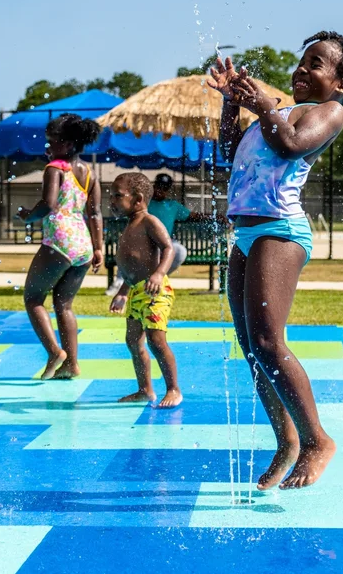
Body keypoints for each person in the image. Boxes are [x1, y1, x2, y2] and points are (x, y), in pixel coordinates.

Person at [209, 31, 343, 490]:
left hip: (280, 229)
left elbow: (292, 146)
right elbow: (228, 154)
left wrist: (261, 105)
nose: (302, 69)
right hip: (247, 233)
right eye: (302, 62)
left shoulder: (328, 113)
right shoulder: (274, 112)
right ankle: (287, 441)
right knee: (253, 351)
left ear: (341, 83)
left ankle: (318, 440)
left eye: (315, 64)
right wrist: (230, 104)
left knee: (267, 340)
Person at [17, 114, 103, 380]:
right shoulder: (89, 174)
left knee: (32, 298)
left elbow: (49, 204)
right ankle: (72, 364)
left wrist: (27, 215)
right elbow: (96, 213)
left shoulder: (55, 168)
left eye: (51, 142)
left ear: (66, 144)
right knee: (64, 304)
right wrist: (98, 248)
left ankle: (55, 352)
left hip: (60, 241)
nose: (48, 147)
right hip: (84, 245)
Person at [108, 172, 183, 408]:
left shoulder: (149, 222)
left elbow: (168, 248)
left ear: (138, 199)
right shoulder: (130, 225)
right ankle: (145, 390)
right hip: (136, 292)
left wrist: (159, 274)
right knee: (133, 340)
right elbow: (132, 267)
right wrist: (122, 292)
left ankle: (173, 389)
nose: (112, 200)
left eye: (117, 196)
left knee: (156, 340)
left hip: (155, 291)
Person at [105, 173, 222, 295]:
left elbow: (194, 216)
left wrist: (216, 217)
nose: (161, 190)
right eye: (159, 186)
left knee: (179, 250)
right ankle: (121, 282)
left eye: (164, 188)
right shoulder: (144, 205)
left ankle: (155, 278)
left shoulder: (171, 206)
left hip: (161, 244)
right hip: (143, 245)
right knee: (131, 251)